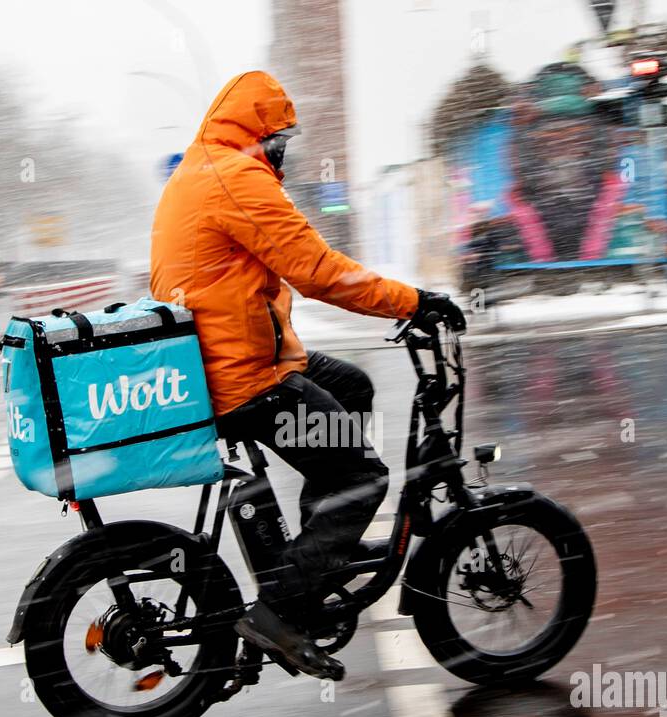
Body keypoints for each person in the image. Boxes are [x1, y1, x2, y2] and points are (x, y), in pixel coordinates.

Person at [150, 71, 464, 681]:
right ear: (260, 136)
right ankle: (281, 612)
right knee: (362, 475)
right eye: (282, 140)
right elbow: (318, 273)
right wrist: (413, 301)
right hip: (242, 377)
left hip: (228, 356)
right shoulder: (236, 179)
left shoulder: (204, 166)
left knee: (351, 387)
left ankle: (322, 549)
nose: (285, 152)